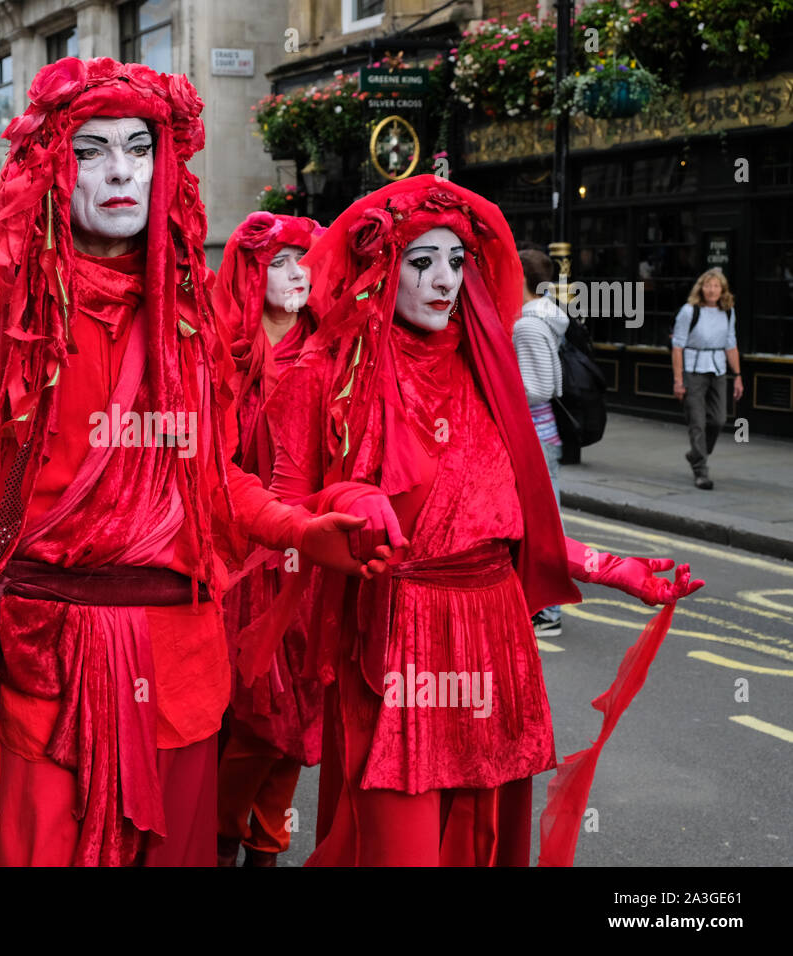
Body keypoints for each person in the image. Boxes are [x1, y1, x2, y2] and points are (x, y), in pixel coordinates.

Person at [0, 57, 376, 867]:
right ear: (53, 171)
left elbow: (214, 479)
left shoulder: (195, 312)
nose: (123, 170)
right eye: (92, 150)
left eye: (140, 147)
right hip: (49, 656)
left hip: (181, 659)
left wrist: (297, 529)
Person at [255, 175, 703, 866]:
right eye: (422, 261)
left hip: (494, 634)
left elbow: (506, 523)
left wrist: (620, 570)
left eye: (458, 262)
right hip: (398, 634)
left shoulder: (486, 373)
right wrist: (341, 502)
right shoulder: (322, 375)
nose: (444, 280)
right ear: (381, 266)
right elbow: (280, 509)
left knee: (481, 846)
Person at [211, 211, 325, 866]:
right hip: (238, 560)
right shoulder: (222, 350)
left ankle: (266, 843)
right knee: (249, 715)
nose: (297, 274)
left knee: (295, 717)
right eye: (281, 261)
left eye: (305, 261)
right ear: (253, 271)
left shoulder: (335, 349)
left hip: (311, 557)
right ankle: (224, 835)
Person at [513, 247, 568, 638]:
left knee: (542, 522)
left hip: (533, 432)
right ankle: (537, 602)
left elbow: (541, 387)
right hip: (541, 431)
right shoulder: (543, 318)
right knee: (538, 518)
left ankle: (548, 612)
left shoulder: (527, 326)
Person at [671, 268, 741, 490]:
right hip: (693, 370)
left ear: (722, 290)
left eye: (716, 286)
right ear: (701, 288)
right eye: (708, 285)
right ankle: (701, 470)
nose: (712, 290)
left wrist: (738, 376)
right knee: (697, 422)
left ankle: (696, 453)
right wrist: (678, 380)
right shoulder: (689, 311)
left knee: (719, 419)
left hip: (718, 369)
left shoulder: (728, 312)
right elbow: (678, 347)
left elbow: (731, 345)